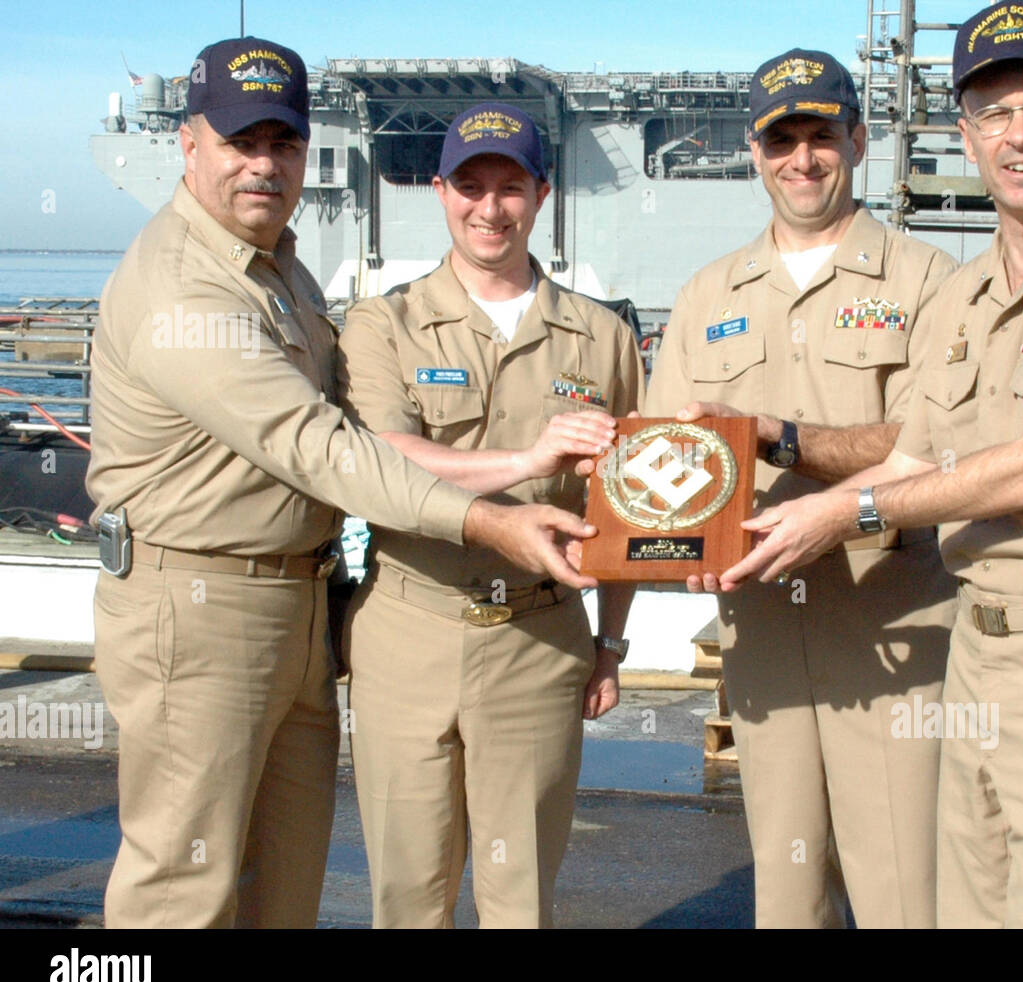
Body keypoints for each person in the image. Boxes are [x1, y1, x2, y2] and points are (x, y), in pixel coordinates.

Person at [87, 41, 598, 929]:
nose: (265, 165)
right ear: (188, 144)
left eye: (284, 142)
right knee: (180, 890)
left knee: (282, 889)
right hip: (195, 604)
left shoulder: (277, 268)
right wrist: (488, 516)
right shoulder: (183, 286)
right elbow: (320, 444)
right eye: (241, 141)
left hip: (299, 604)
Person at [721, 2, 1023, 928]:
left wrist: (843, 516)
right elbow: (912, 457)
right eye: (992, 113)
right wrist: (770, 527)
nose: (1018, 135)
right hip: (975, 657)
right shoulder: (964, 295)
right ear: (965, 137)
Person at [645, 49, 958, 928]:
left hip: (888, 612)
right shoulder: (706, 296)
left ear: (858, 140)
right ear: (755, 151)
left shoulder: (930, 284)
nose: (803, 158)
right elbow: (667, 457)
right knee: (786, 890)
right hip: (762, 622)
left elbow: (937, 445)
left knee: (904, 883)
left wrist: (777, 436)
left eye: (822, 135)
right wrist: (679, 548)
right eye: (782, 138)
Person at [335, 102, 643, 928]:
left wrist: (610, 644)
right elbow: (379, 455)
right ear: (437, 190)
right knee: (409, 896)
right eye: (469, 185)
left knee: (521, 899)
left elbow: (626, 504)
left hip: (540, 640)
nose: (490, 207)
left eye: (511, 186)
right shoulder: (382, 324)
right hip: (409, 631)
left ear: (542, 193)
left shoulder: (603, 337)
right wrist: (529, 460)